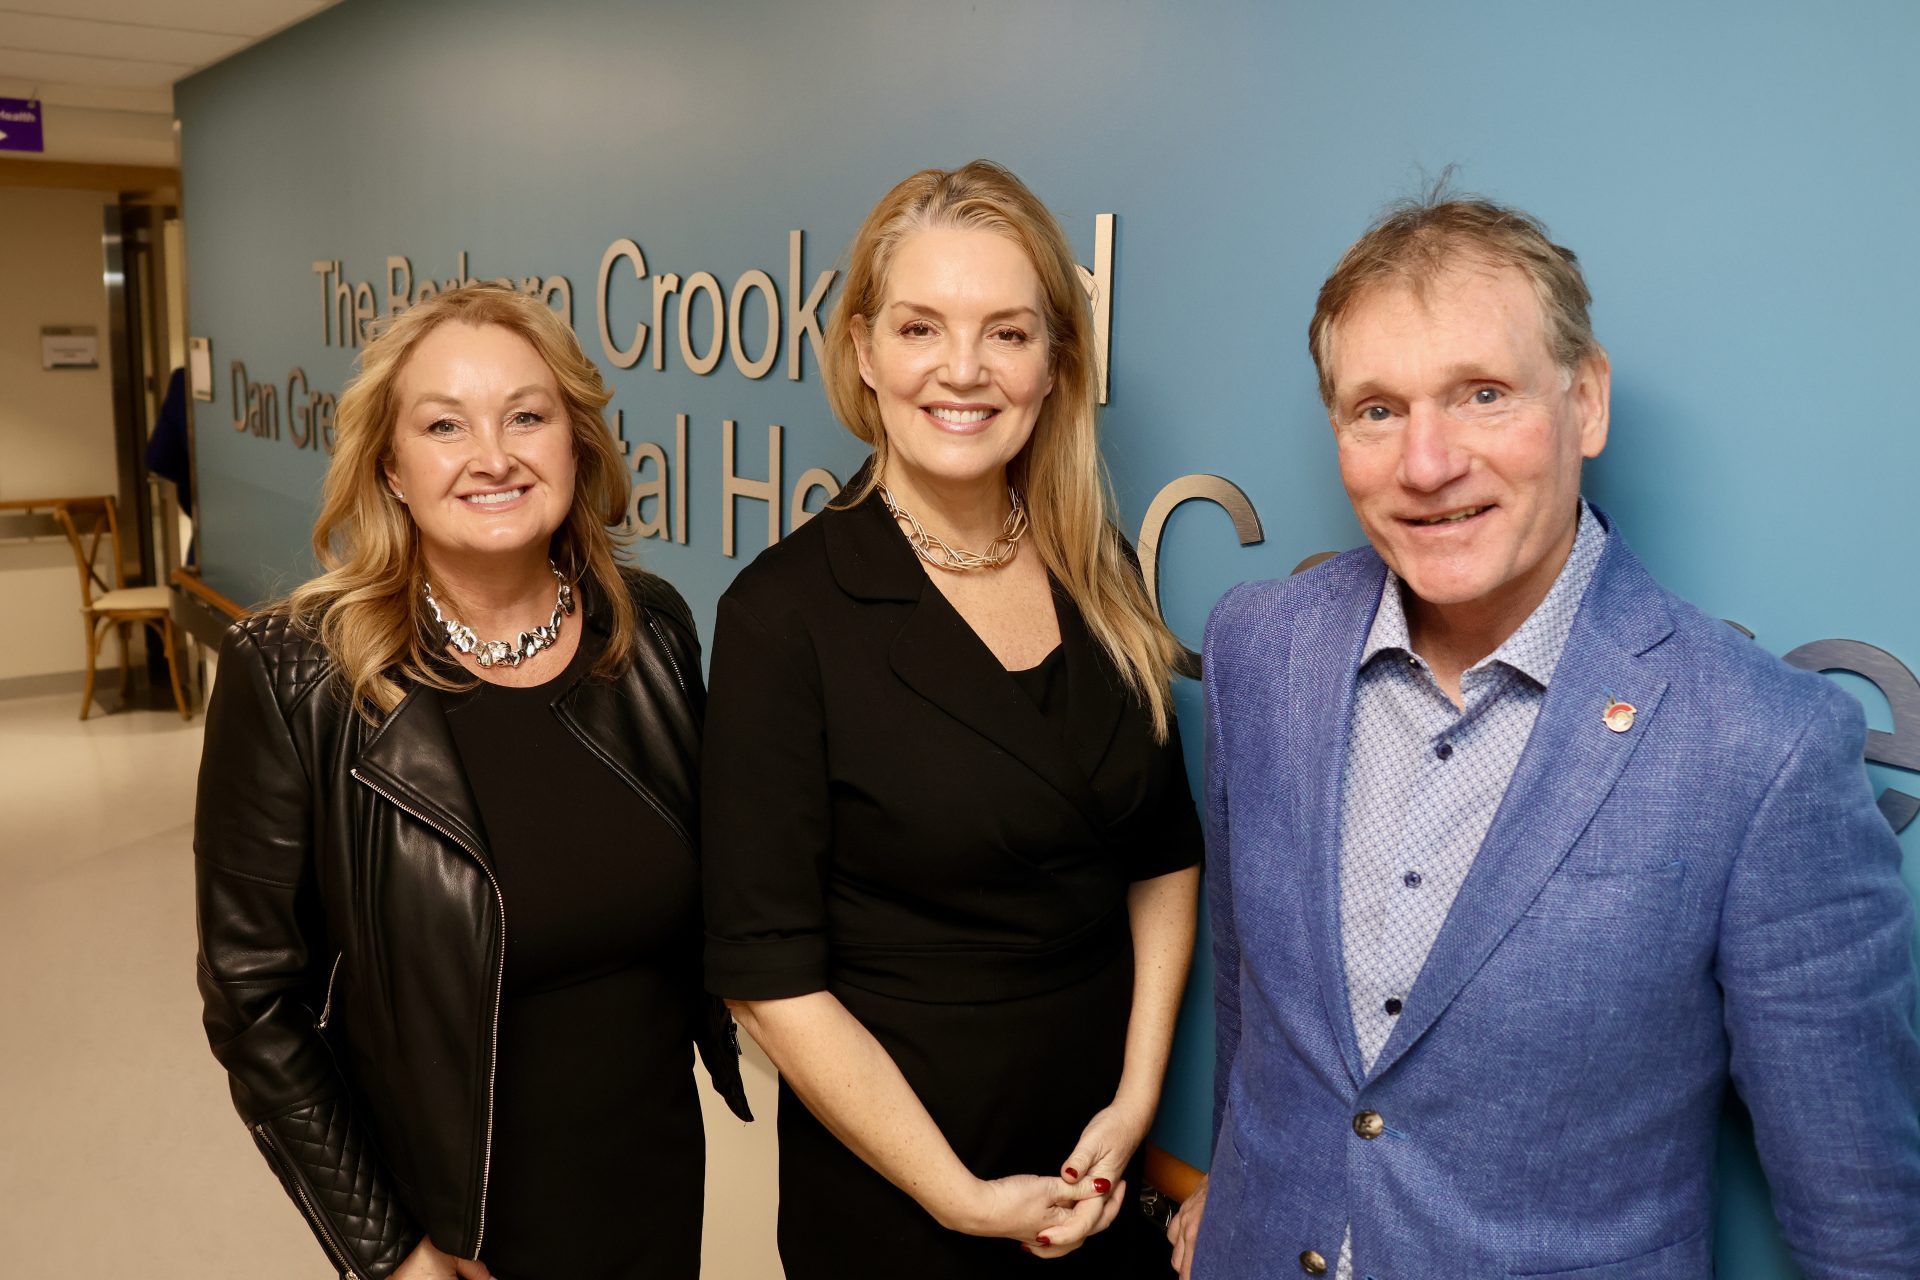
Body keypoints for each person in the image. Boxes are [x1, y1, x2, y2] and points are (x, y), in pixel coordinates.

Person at [1169, 190, 1920, 1279]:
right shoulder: (1259, 644)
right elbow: (1254, 1012)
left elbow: (1861, 1220)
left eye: (1482, 394)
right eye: (1378, 409)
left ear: (1587, 401)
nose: (1427, 463)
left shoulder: (1762, 742)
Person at [701, 160, 1201, 1278]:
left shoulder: (1097, 568)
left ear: (1054, 362)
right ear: (864, 352)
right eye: (921, 327)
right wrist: (962, 1196)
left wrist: (1134, 1098)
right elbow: (765, 974)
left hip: (1095, 1165)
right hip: (902, 1197)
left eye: (1007, 333)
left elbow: (1163, 849)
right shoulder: (786, 613)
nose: (963, 370)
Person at [195, 283, 750, 1280]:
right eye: (445, 424)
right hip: (452, 1228)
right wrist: (391, 1250)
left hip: (654, 1189)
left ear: (576, 444)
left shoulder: (652, 631)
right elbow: (253, 1001)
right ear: (392, 468)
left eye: (527, 416)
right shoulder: (295, 673)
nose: (494, 456)